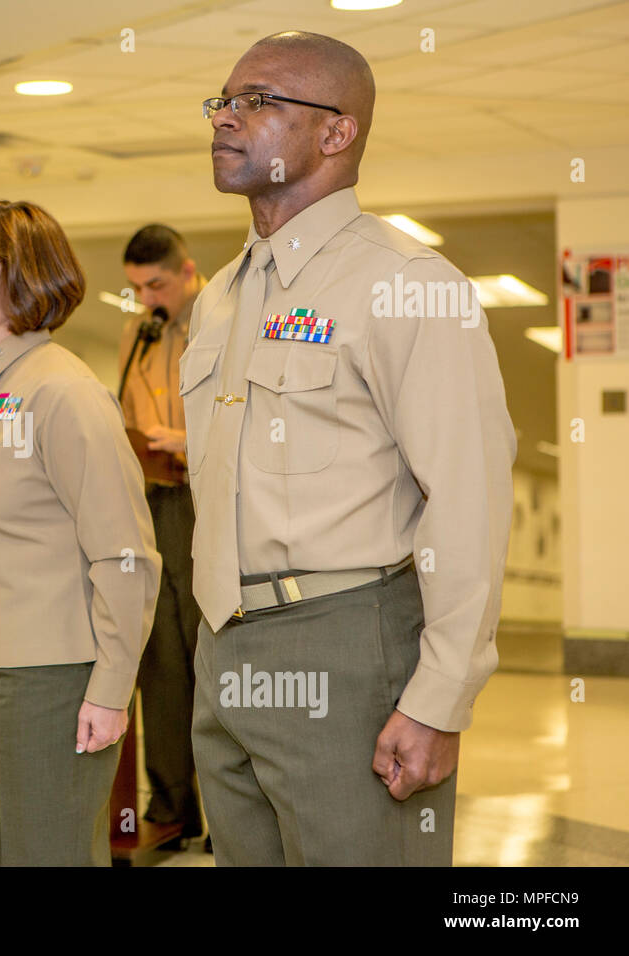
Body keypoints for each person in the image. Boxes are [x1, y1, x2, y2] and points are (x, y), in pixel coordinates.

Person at [185, 32, 514, 865]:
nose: (228, 119)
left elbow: (468, 499)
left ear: (338, 133)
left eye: (259, 101)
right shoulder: (220, 298)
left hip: (346, 644)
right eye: (223, 101)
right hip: (223, 641)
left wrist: (441, 698)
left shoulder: (408, 284)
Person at [0, 199, 160, 866]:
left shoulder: (64, 394)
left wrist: (113, 689)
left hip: (49, 677)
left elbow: (126, 555)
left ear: (24, 274)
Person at [118, 225, 209, 844]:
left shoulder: (223, 319)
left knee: (212, 653)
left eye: (156, 284)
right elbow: (127, 414)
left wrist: (191, 442)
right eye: (135, 288)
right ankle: (171, 803)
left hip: (211, 506)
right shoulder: (138, 335)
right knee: (163, 659)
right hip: (155, 502)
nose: (148, 298)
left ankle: (232, 806)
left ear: (187, 272)